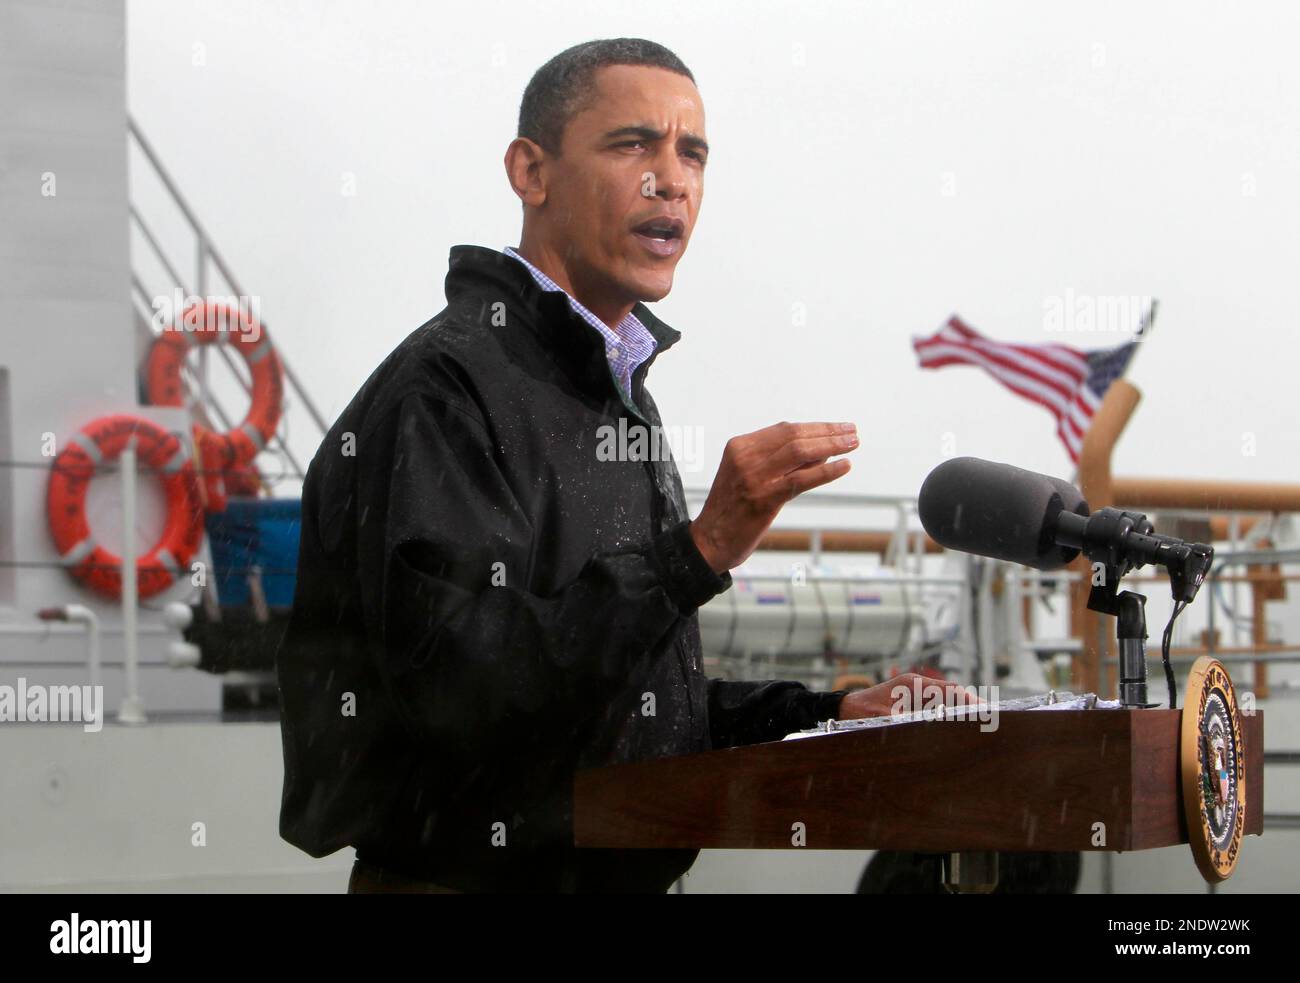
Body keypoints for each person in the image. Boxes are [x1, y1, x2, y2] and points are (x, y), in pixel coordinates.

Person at [276, 37, 946, 894]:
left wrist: (821, 714)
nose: (672, 178)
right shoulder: (444, 387)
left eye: (692, 152)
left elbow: (618, 708)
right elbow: (461, 691)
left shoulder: (606, 386)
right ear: (531, 171)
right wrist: (693, 554)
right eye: (633, 144)